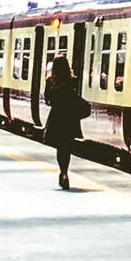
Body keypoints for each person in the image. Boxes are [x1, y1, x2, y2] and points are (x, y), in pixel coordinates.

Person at [43, 54, 88, 190]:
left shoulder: (50, 81)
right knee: (66, 147)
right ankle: (65, 172)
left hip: (57, 117)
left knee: (60, 147)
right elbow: (76, 97)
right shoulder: (72, 80)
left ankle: (62, 172)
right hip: (70, 117)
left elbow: (47, 100)